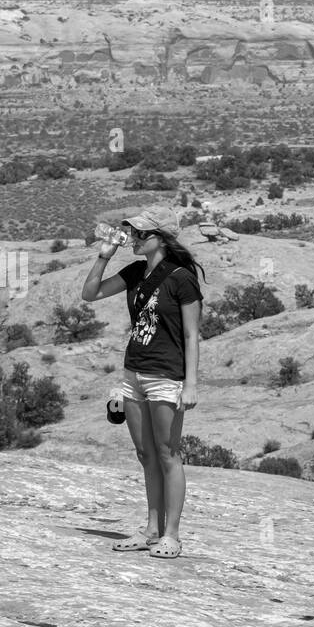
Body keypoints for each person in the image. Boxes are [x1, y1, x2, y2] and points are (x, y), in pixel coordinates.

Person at [81, 206, 205, 559]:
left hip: (166, 374)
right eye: (132, 232)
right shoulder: (136, 271)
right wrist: (103, 257)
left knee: (168, 454)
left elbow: (193, 335)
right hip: (134, 371)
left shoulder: (181, 278)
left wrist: (191, 384)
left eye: (140, 234)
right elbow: (90, 294)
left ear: (160, 238)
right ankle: (151, 529)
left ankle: (172, 535)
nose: (133, 238)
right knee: (144, 453)